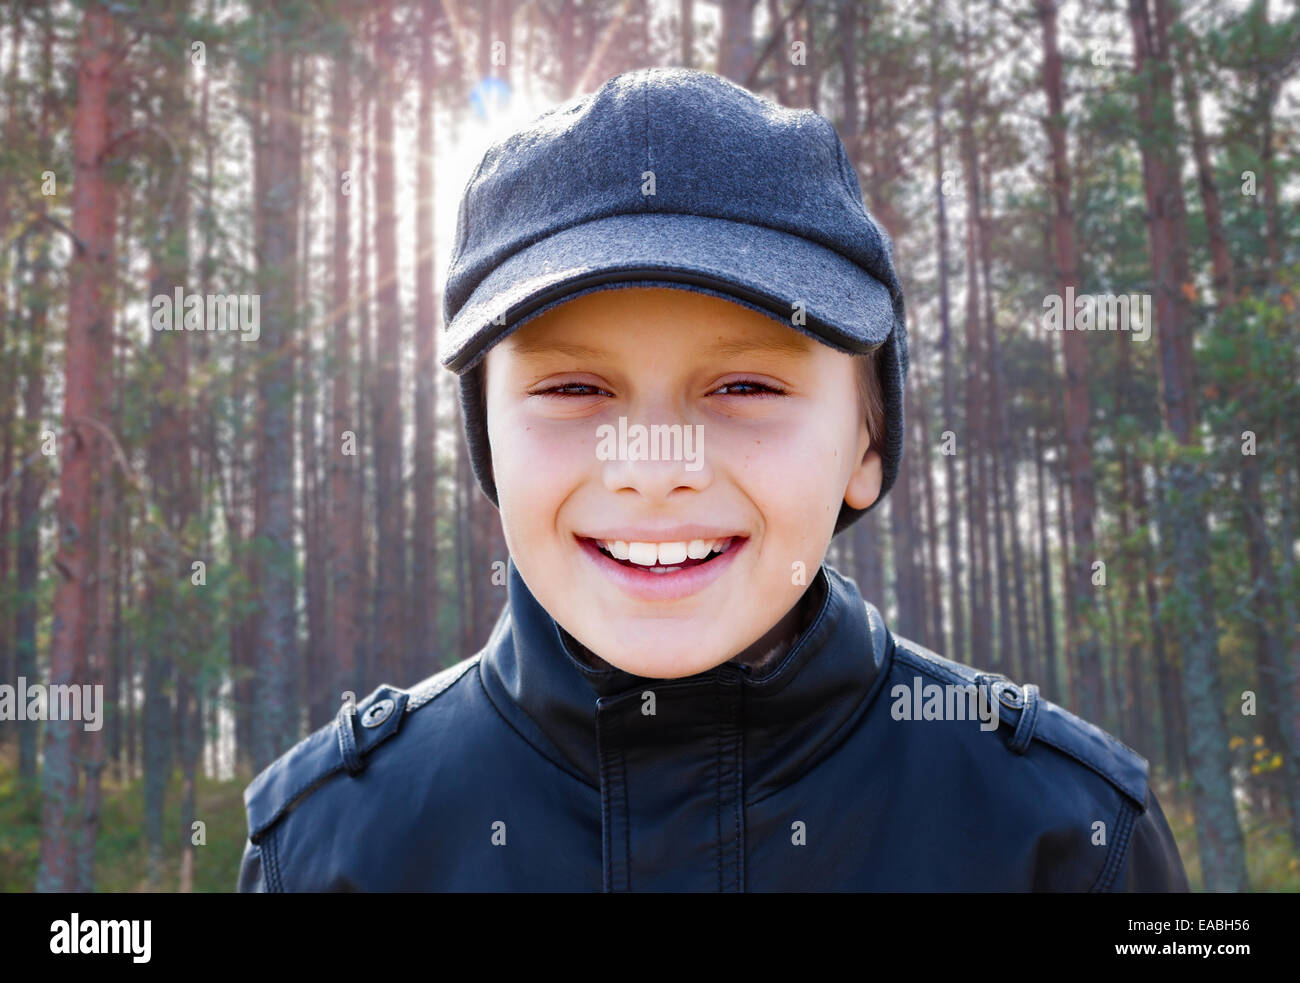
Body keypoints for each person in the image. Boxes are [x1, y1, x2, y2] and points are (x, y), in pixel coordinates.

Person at [237, 67, 1189, 892]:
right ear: (488, 443)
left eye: (745, 384)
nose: (656, 472)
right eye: (574, 387)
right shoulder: (328, 850)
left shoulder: (1067, 839)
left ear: (868, 441)